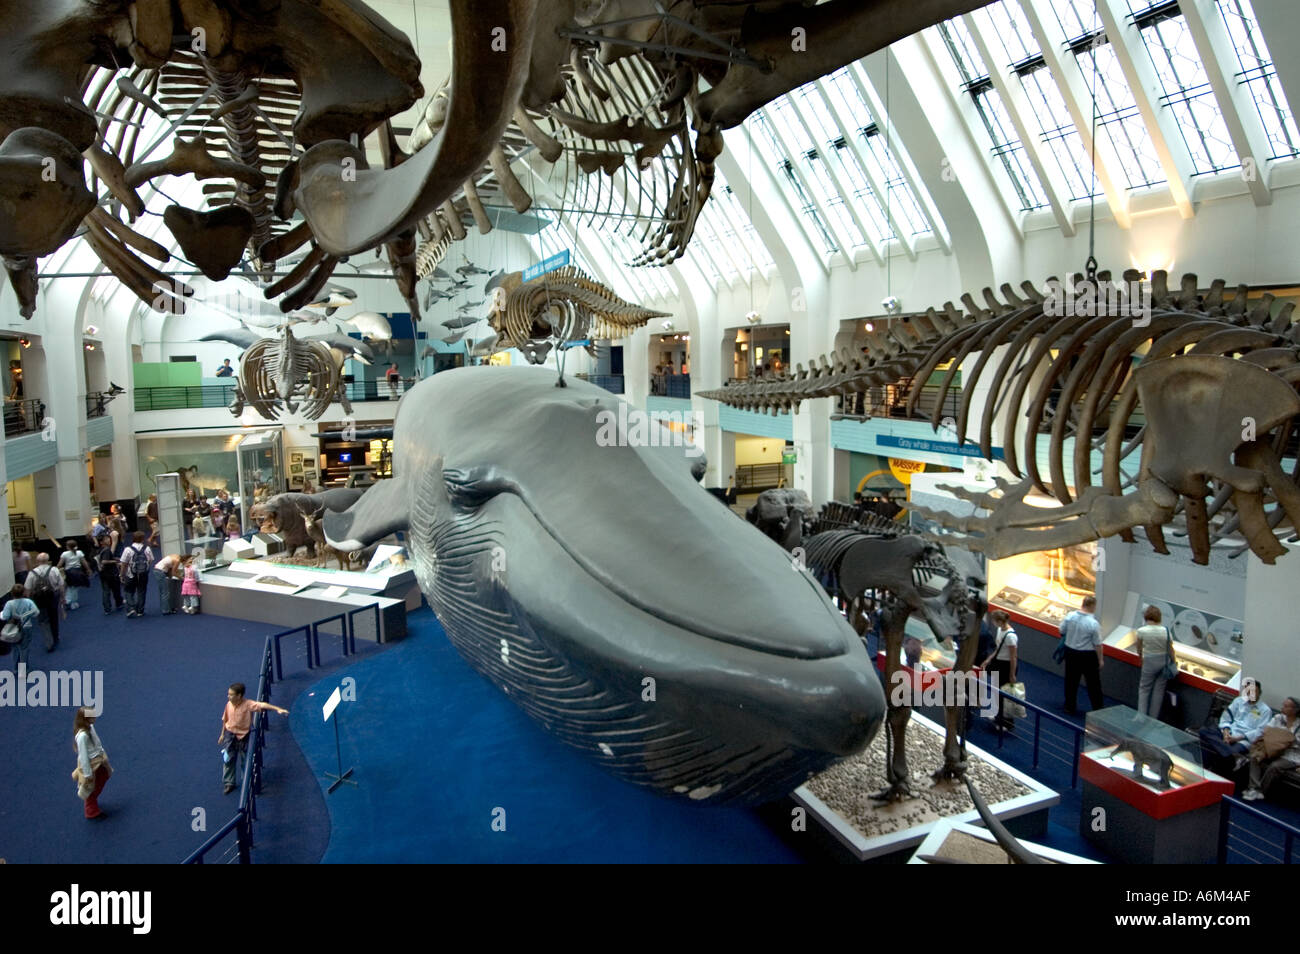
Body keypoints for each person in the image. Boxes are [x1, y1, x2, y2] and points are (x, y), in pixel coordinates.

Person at [219, 683, 288, 794]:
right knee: (228, 759)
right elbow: (225, 719)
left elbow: (262, 705)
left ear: (239, 695)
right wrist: (222, 734)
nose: (228, 696)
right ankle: (229, 782)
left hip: (244, 736)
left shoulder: (247, 705)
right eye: (228, 694)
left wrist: (278, 709)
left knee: (245, 759)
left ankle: (247, 781)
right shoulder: (228, 705)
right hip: (230, 735)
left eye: (231, 694)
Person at [1199, 677, 1271, 770]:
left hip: (1244, 740)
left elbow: (1260, 731)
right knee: (1204, 730)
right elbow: (1226, 718)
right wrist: (1226, 734)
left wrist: (1237, 738)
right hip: (1229, 732)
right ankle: (1235, 756)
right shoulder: (1238, 701)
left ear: (1260, 693)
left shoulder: (1265, 710)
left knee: (1223, 754)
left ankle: (1211, 768)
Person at [1243, 697, 1300, 801]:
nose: (1282, 707)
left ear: (1295, 710)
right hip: (1272, 749)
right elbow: (1267, 731)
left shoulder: (1298, 725)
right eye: (1283, 705)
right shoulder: (1278, 718)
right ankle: (1253, 788)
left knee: (1275, 766)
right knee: (1255, 757)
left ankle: (1261, 791)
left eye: (1286, 706)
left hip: (1291, 755)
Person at [1060, 595, 1105, 715]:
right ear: (1092, 606)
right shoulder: (1093, 623)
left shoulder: (1070, 616)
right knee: (1093, 683)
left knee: (1071, 681)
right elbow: (1097, 644)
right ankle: (1098, 709)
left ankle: (1069, 706)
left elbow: (1062, 630)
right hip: (1087, 656)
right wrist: (1100, 659)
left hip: (1070, 652)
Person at [1135, 605, 1176, 719]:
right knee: (1159, 691)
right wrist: (1174, 662)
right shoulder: (1166, 631)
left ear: (1146, 617)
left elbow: (1139, 648)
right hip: (1164, 661)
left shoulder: (1142, 631)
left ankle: (1141, 716)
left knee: (1144, 689)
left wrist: (1141, 658)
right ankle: (1153, 719)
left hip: (1149, 661)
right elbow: (1170, 650)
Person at [72, 707, 111, 820]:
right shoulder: (82, 736)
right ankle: (91, 809)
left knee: (104, 776)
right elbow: (83, 756)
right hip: (91, 764)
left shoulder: (90, 728)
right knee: (91, 786)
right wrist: (88, 774)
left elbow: (97, 742)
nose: (95, 718)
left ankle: (92, 800)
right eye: (92, 717)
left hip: (98, 759)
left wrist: (102, 753)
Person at [981, 610, 1018, 729]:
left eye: (994, 621)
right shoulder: (1000, 630)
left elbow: (1013, 657)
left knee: (1005, 695)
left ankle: (1007, 722)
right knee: (997, 692)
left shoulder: (1011, 637)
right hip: (999, 663)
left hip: (1006, 666)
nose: (993, 623)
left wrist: (1012, 674)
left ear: (1000, 621)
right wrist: (989, 659)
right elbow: (998, 648)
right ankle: (998, 716)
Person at [24, 553, 64, 651]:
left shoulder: (32, 573)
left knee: (43, 620)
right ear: (47, 560)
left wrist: (29, 601)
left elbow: (27, 589)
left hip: (39, 599)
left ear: (37, 561)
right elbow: (61, 585)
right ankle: (55, 637)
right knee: (54, 617)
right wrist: (62, 597)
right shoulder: (54, 570)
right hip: (53, 597)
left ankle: (49, 642)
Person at [1, 584, 39, 672]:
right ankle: (23, 671)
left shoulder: (9, 604)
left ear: (12, 593)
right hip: (26, 627)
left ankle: (15, 668)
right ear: (23, 593)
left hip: (13, 629)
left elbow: (4, 617)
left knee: (15, 649)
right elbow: (36, 613)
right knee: (24, 649)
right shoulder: (28, 602)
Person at [121, 531, 154, 618]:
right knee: (141, 591)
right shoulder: (147, 548)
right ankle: (140, 611)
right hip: (143, 573)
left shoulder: (128, 549)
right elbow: (150, 560)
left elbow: (124, 563)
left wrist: (122, 574)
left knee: (128, 591)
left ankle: (131, 607)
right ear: (143, 539)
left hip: (131, 573)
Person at [57, 539, 88, 611]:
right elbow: (84, 562)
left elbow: (60, 564)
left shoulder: (64, 554)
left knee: (70, 587)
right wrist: (88, 569)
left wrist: (55, 569)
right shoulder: (79, 552)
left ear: (68, 547)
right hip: (78, 571)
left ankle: (69, 600)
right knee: (75, 587)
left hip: (69, 572)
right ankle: (71, 601)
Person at [94, 537, 122, 615]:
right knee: (116, 589)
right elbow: (104, 561)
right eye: (106, 539)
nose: (109, 540)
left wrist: (114, 558)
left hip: (103, 574)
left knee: (106, 591)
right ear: (101, 542)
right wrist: (115, 561)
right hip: (111, 573)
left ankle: (107, 608)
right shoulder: (107, 550)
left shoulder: (99, 550)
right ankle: (119, 604)